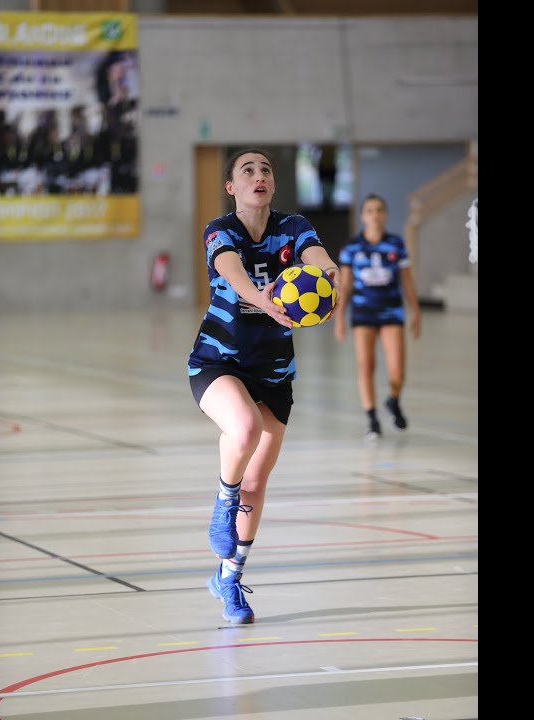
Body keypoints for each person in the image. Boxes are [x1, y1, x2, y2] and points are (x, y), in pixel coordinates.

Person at [187, 148, 339, 624]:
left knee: (257, 480)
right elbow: (232, 271)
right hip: (217, 360)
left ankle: (229, 579)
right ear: (231, 186)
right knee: (244, 428)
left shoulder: (293, 227)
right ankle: (223, 502)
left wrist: (330, 277)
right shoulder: (220, 230)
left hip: (274, 370)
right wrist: (263, 298)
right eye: (248, 170)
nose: (259, 176)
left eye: (266, 170)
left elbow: (318, 258)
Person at [333, 194, 421, 440]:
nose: (375, 214)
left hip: (392, 311)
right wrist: (339, 318)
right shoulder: (352, 247)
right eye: (370, 210)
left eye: (379, 209)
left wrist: (416, 310)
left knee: (397, 371)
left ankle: (393, 400)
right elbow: (346, 284)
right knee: (366, 365)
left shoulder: (396, 244)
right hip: (363, 312)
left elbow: (406, 279)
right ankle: (371, 418)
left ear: (385, 214)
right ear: (363, 216)